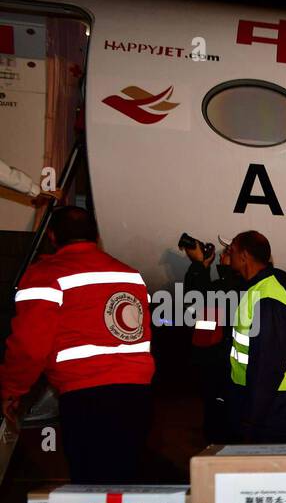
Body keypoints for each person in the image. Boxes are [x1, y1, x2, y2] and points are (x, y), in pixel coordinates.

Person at [1, 206, 154, 483]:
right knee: (127, 482)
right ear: (95, 235)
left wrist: (11, 390)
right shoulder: (129, 275)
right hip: (138, 396)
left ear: (52, 235)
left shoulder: (45, 275)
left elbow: (29, 346)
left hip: (86, 397)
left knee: (92, 486)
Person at [223, 230, 286, 443]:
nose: (227, 254)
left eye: (231, 250)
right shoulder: (258, 288)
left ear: (244, 256)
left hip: (273, 405)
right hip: (272, 400)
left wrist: (252, 419)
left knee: (268, 468)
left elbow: (267, 366)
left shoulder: (267, 297)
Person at [182, 236, 240, 443]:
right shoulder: (229, 285)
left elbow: (193, 302)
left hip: (222, 371)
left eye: (228, 253)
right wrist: (203, 268)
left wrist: (198, 265)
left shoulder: (233, 286)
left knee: (220, 429)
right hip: (221, 369)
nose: (222, 256)